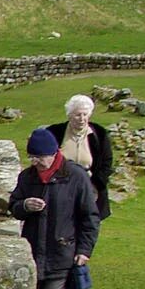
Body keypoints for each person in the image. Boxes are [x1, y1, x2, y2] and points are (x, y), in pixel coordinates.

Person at [11, 128, 98, 289]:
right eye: (32, 157)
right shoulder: (27, 177)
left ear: (53, 154)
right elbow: (14, 206)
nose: (35, 162)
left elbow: (90, 217)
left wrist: (84, 250)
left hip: (63, 249)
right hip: (33, 249)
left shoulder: (76, 177)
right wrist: (25, 205)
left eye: (40, 157)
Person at [47, 94, 114, 228]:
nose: (82, 119)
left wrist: (95, 184)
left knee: (88, 228)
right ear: (69, 115)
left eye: (85, 114)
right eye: (78, 115)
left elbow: (106, 163)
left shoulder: (99, 134)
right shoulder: (54, 132)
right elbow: (45, 159)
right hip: (61, 187)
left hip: (91, 189)